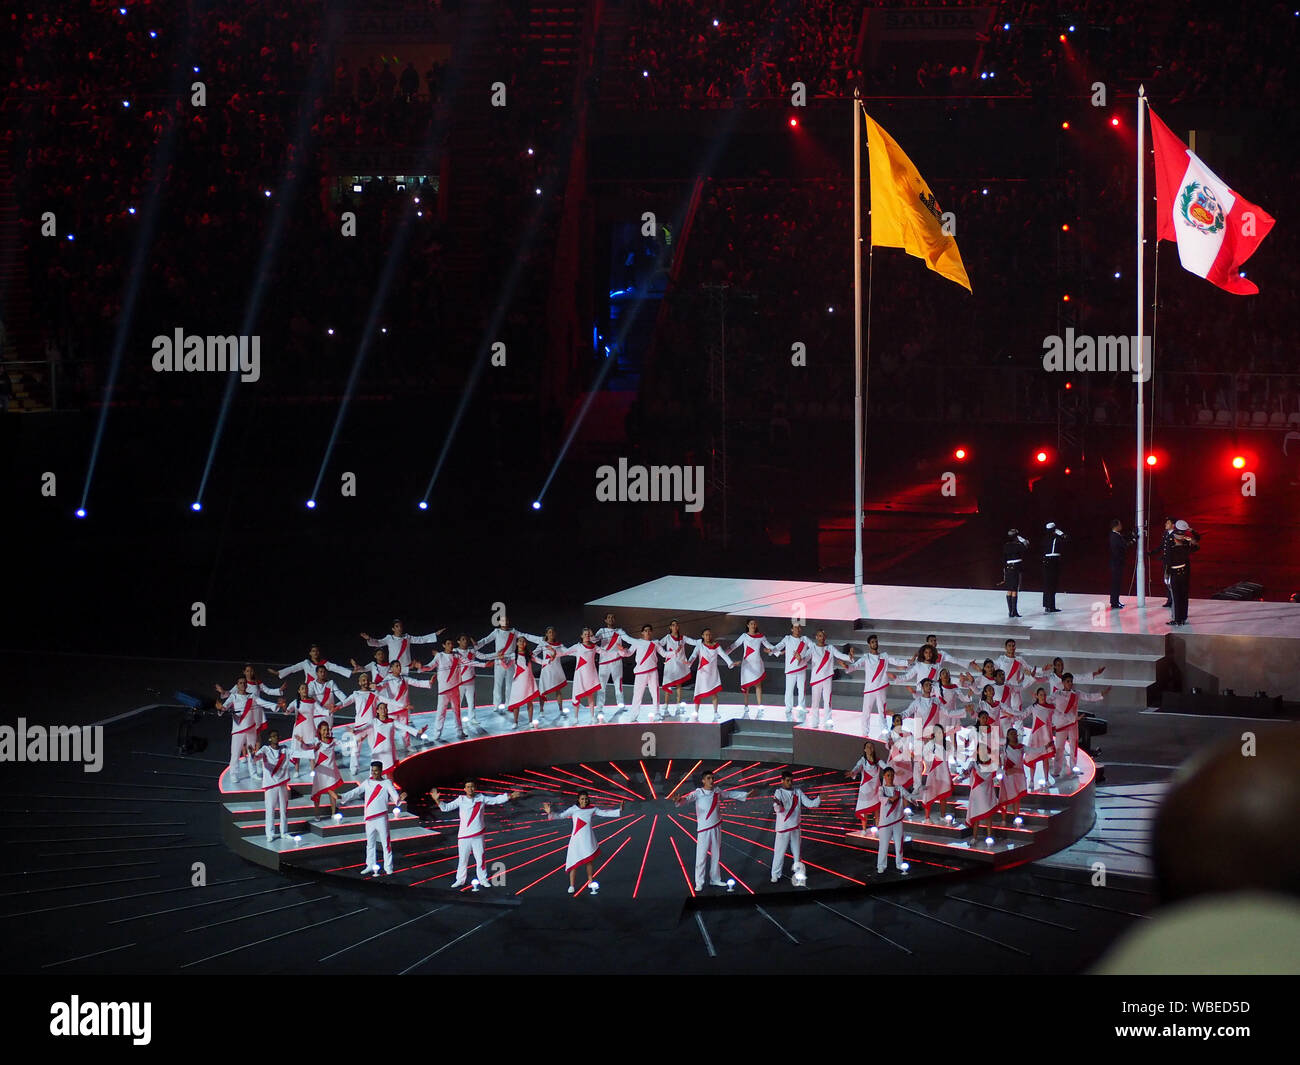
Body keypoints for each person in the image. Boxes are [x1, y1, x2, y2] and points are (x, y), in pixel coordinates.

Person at [430, 780, 523, 888]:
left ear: (475, 788)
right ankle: (460, 880)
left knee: (480, 859)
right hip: (464, 836)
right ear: (464, 789)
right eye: (468, 787)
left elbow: (495, 800)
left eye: (472, 786)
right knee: (463, 859)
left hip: (478, 835)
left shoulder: (481, 798)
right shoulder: (461, 800)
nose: (470, 789)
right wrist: (437, 800)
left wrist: (509, 796)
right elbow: (445, 808)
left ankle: (483, 879)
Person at [676, 770, 751, 890]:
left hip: (716, 826)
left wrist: (746, 795)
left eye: (712, 778)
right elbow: (687, 799)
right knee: (701, 857)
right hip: (703, 829)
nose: (711, 780)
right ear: (703, 780)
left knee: (716, 855)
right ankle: (699, 883)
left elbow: (729, 794)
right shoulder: (698, 792)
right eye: (709, 778)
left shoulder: (717, 791)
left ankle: (715, 879)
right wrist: (679, 800)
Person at [543, 792, 623, 894]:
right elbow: (561, 816)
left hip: (588, 839)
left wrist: (619, 810)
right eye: (582, 799)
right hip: (576, 840)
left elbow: (605, 813)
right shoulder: (573, 809)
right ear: (578, 800)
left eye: (585, 799)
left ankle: (590, 882)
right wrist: (550, 813)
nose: (584, 801)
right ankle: (572, 885)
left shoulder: (592, 809)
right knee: (574, 862)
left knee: (589, 861)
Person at [339, 762, 406, 877]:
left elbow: (396, 799)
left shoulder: (386, 783)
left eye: (376, 770)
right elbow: (355, 791)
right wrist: (342, 796)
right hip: (369, 818)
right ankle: (370, 865)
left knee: (386, 844)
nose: (373, 773)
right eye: (372, 770)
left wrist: (400, 798)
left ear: (381, 771)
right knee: (370, 844)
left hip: (381, 818)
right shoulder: (367, 782)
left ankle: (388, 867)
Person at [214, 678, 280, 784]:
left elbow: (263, 702)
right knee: (235, 753)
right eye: (240, 683)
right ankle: (233, 774)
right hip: (238, 729)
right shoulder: (233, 696)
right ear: (237, 685)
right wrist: (220, 708)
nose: (243, 684)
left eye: (244, 683)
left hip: (251, 728)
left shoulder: (252, 696)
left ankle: (253, 774)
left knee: (251, 752)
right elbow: (224, 708)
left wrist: (274, 706)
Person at [847, 634, 909, 739]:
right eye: (872, 642)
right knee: (866, 711)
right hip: (869, 689)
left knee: (882, 710)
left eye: (876, 642)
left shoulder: (884, 656)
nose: (875, 644)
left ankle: (884, 731)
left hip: (880, 687)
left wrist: (909, 661)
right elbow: (854, 666)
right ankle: (865, 733)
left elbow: (896, 661)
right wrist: (847, 664)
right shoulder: (866, 657)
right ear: (869, 644)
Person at [476, 616, 543, 712]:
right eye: (503, 621)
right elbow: (485, 640)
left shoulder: (514, 632)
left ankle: (509, 704)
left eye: (507, 620)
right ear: (499, 622)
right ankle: (496, 704)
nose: (505, 622)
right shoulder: (497, 632)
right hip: (499, 660)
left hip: (511, 660)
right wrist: (475, 646)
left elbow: (526, 636)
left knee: (510, 684)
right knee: (498, 684)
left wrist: (541, 639)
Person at [1051, 674, 1110, 776]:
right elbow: (1047, 702)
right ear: (1063, 682)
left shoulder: (1076, 694)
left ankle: (1074, 767)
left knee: (1074, 745)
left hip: (1073, 723)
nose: (1070, 683)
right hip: (1062, 724)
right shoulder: (1056, 694)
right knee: (1059, 747)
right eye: (1068, 681)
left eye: (1071, 681)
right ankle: (1057, 770)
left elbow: (1088, 697)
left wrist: (1101, 694)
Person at [770, 770, 820, 883]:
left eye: (791, 780)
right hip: (783, 829)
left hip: (796, 828)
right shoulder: (779, 792)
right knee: (779, 852)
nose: (790, 783)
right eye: (787, 780)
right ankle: (775, 874)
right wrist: (778, 805)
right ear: (782, 781)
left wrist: (819, 799)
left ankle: (799, 873)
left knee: (797, 853)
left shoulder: (798, 792)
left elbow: (809, 803)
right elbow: (778, 809)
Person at [618, 624, 670, 721]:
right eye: (645, 630)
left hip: (653, 671)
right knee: (637, 695)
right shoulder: (637, 642)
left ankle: (657, 713)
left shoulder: (655, 643)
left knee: (655, 693)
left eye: (649, 630)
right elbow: (628, 653)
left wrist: (675, 652)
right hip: (640, 673)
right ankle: (634, 715)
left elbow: (664, 654)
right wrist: (622, 650)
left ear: (652, 632)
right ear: (642, 632)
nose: (647, 632)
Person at [725, 619, 774, 717]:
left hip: (757, 663)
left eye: (754, 624)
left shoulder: (761, 636)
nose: (753, 625)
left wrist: (774, 651)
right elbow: (734, 645)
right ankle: (746, 704)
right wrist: (723, 653)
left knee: (758, 685)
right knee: (746, 685)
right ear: (747, 625)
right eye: (751, 624)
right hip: (747, 663)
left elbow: (770, 646)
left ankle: (760, 705)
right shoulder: (744, 636)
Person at [252, 729, 293, 841]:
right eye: (273, 736)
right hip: (270, 785)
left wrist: (310, 748)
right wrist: (253, 754)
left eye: (277, 735)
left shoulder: (285, 749)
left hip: (282, 784)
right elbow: (257, 757)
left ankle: (284, 832)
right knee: (270, 809)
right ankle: (270, 834)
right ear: (270, 739)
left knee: (283, 810)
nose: (276, 737)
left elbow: (296, 754)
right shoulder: (265, 749)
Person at [806, 630, 852, 730]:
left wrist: (849, 657)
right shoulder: (813, 648)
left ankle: (828, 720)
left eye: (822, 636)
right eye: (819, 636)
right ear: (816, 637)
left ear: (825, 637)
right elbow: (805, 658)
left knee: (827, 700)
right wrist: (799, 658)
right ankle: (814, 721)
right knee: (815, 701)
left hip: (827, 677)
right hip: (816, 678)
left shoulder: (830, 648)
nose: (821, 637)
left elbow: (840, 655)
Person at [360, 619, 444, 672]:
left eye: (400, 626)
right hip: (393, 668)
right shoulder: (389, 638)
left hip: (405, 667)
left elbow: (420, 639)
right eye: (397, 626)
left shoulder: (406, 637)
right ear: (393, 629)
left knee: (403, 691)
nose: (399, 628)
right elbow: (378, 642)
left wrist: (435, 634)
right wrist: (369, 639)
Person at [875, 767, 916, 874]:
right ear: (884, 776)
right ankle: (881, 865)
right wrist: (889, 799)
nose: (890, 777)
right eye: (888, 775)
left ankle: (899, 864)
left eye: (892, 775)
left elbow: (908, 796)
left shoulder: (899, 788)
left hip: (897, 820)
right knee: (883, 845)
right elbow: (880, 798)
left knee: (899, 844)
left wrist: (913, 798)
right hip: (885, 822)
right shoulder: (881, 789)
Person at [689, 629, 735, 720]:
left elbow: (723, 655)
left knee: (714, 693)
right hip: (702, 673)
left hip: (713, 673)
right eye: (706, 635)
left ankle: (715, 712)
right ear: (702, 636)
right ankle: (696, 712)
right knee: (698, 693)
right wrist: (689, 662)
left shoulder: (716, 646)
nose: (708, 636)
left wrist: (731, 663)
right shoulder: (700, 645)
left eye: (709, 635)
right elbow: (694, 655)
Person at [561, 628, 602, 724]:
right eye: (585, 634)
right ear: (582, 636)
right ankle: (576, 717)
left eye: (588, 634)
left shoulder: (594, 647)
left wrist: (618, 652)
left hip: (590, 675)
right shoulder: (578, 646)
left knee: (590, 695)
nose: (587, 636)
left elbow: (605, 652)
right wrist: (555, 653)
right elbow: (565, 652)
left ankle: (592, 716)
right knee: (577, 696)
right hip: (580, 675)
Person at [658, 620, 699, 715]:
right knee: (668, 684)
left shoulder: (683, 638)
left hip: (680, 664)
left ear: (678, 627)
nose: (675, 627)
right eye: (673, 625)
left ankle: (678, 704)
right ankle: (666, 704)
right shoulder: (667, 638)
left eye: (676, 625)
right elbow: (659, 645)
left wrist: (702, 641)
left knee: (679, 685)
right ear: (670, 627)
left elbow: (693, 642)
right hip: (670, 664)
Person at [592, 613, 628, 712]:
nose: (610, 619)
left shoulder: (619, 631)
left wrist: (638, 642)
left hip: (616, 661)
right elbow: (594, 640)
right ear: (605, 620)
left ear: (614, 620)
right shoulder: (602, 631)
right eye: (608, 617)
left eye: (612, 617)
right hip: (604, 662)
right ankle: (599, 707)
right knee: (602, 685)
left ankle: (621, 705)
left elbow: (628, 639)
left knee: (618, 683)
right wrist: (590, 635)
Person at [531, 628, 569, 719]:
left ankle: (560, 710)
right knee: (542, 690)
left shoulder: (559, 645)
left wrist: (578, 649)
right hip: (546, 670)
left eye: (552, 632)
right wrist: (543, 662)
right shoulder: (543, 644)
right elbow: (532, 655)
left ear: (555, 634)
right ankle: (541, 710)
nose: (551, 634)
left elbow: (568, 651)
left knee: (558, 690)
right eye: (549, 632)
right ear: (546, 634)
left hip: (557, 670)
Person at [1169, 520, 1200, 625]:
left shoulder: (1175, 546)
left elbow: (1167, 561)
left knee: (1178, 597)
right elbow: (1196, 544)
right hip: (1184, 573)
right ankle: (1182, 617)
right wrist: (1191, 532)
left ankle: (1178, 618)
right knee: (1182, 596)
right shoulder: (1186, 545)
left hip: (1177, 574)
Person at [846, 741, 883, 830]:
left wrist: (893, 771)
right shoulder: (863, 760)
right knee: (864, 809)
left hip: (876, 789)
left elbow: (886, 767)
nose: (869, 749)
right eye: (867, 747)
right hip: (865, 789)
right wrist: (853, 772)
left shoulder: (878, 761)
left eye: (871, 747)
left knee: (877, 810)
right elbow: (857, 767)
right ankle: (864, 830)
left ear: (873, 749)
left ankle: (878, 829)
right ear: (864, 749)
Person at [1000, 727, 1027, 826]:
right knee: (1005, 797)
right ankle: (1003, 819)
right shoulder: (1004, 748)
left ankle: (1016, 818)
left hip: (1019, 775)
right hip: (1008, 775)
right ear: (1007, 736)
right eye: (1011, 733)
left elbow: (1033, 751)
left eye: (1015, 733)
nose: (1013, 735)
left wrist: (1045, 748)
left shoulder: (1022, 747)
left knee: (1017, 798)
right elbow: (996, 758)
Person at [999, 528, 1030, 617]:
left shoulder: (1006, 545)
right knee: (1014, 590)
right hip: (1015, 569)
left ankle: (1010, 612)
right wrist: (1022, 539)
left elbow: (1004, 559)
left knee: (1009, 590)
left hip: (1008, 569)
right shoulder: (1018, 545)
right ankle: (1014, 611)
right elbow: (1026, 545)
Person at [1041, 522, 1068, 612]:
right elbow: (1066, 539)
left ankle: (1047, 605)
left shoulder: (1045, 538)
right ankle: (1051, 606)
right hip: (1053, 561)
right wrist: (1061, 533)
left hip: (1046, 561)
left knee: (1047, 584)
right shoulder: (1056, 538)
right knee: (1052, 584)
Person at [1150, 517, 1176, 607]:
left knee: (1172, 581)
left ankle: (1173, 599)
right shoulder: (1165, 533)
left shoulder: (1176, 534)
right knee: (1167, 580)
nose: (1165, 524)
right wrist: (1153, 552)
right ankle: (1169, 600)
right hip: (1166, 561)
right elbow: (1162, 546)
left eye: (1168, 523)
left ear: (1173, 525)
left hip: (1173, 562)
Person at [1109, 519, 1135, 609]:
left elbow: (1123, 538)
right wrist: (1133, 541)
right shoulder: (1114, 537)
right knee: (1116, 583)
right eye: (1120, 525)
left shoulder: (1116, 535)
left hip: (1117, 563)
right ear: (1116, 526)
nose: (1121, 526)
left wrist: (1131, 535)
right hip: (1117, 563)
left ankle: (1115, 601)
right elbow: (1123, 546)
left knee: (1117, 583)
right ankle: (1114, 603)